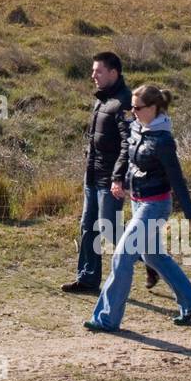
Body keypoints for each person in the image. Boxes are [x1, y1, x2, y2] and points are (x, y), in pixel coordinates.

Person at [84, 84, 191, 332]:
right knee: (153, 255)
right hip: (138, 202)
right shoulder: (137, 128)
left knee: (122, 255)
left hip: (156, 206)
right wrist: (120, 181)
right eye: (132, 107)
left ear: (153, 108)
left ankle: (106, 319)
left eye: (137, 108)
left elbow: (177, 179)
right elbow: (127, 157)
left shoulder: (163, 141)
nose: (133, 112)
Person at [62, 52, 159, 295]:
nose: (93, 75)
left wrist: (118, 177)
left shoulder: (125, 102)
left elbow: (129, 144)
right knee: (88, 227)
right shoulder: (102, 100)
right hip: (92, 177)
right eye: (93, 71)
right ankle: (87, 279)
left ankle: (153, 261)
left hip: (110, 181)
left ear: (113, 73)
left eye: (99, 71)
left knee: (111, 230)